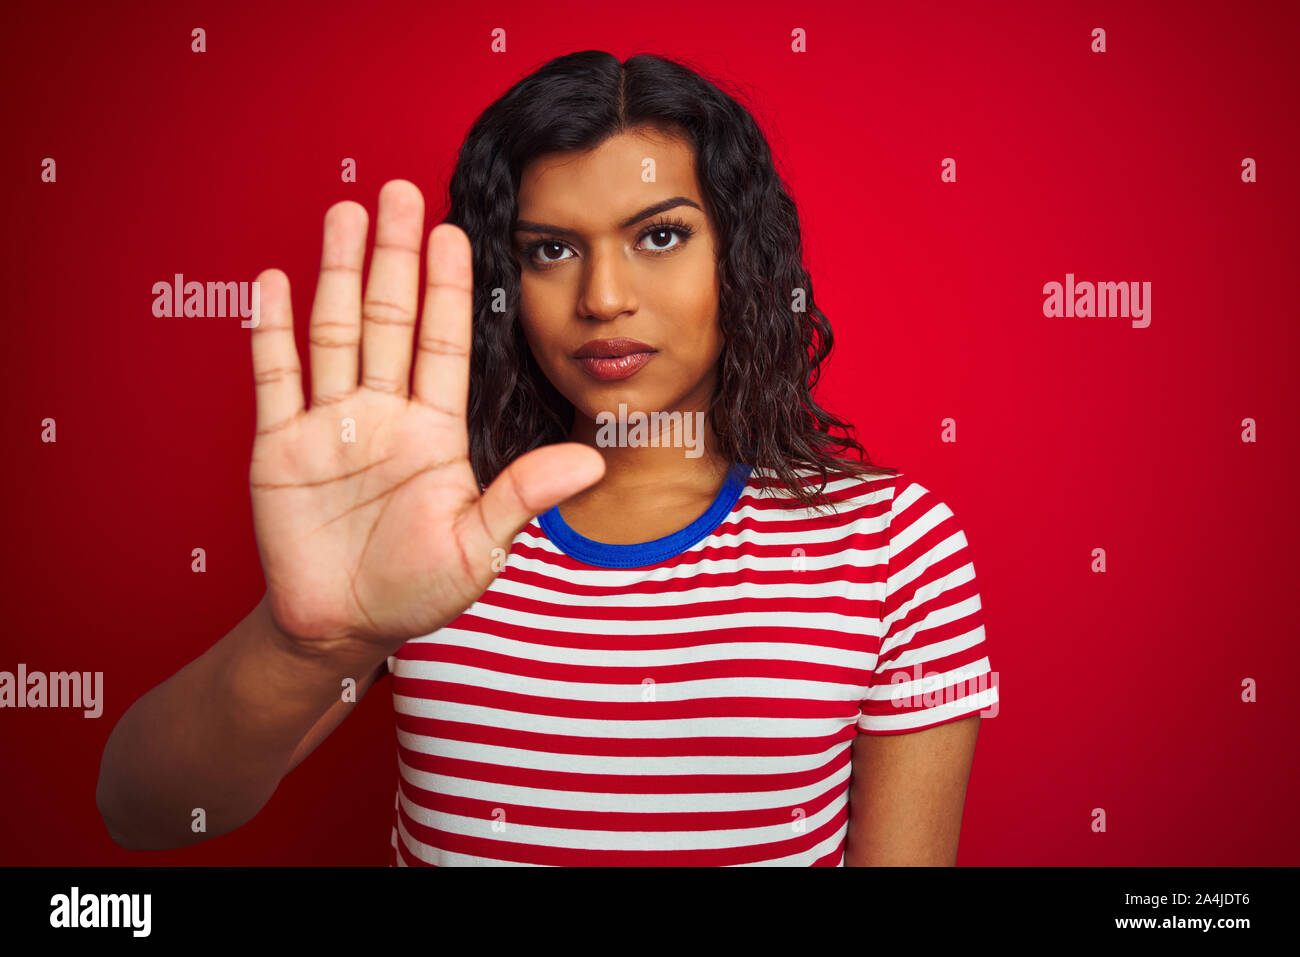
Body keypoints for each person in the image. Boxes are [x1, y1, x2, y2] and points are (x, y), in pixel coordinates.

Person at [96, 50, 998, 866]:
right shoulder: (435, 524)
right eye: (552, 250)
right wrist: (308, 643)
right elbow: (146, 812)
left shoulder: (892, 548)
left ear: (742, 258)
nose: (602, 298)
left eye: (660, 235)